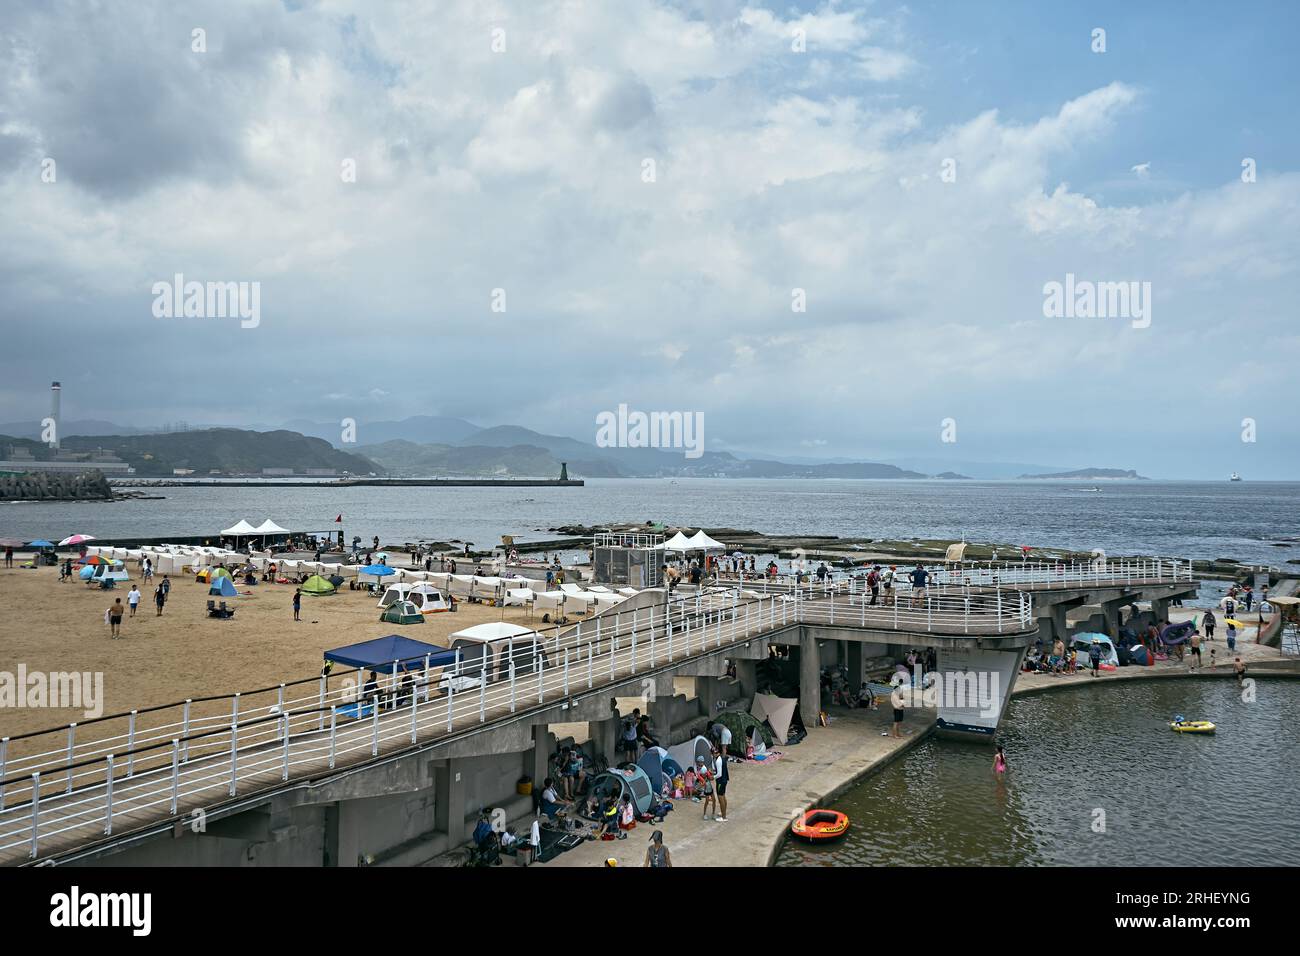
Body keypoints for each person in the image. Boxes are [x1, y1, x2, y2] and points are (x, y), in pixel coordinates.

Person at [696, 756, 716, 820]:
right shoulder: (699, 772)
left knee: (714, 801)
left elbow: (710, 778)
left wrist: (711, 774)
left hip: (710, 787)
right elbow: (702, 783)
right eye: (700, 762)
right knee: (707, 802)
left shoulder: (704, 769)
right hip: (707, 789)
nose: (701, 763)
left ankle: (713, 814)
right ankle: (704, 814)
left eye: (702, 762)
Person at [712, 746, 729, 822]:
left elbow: (719, 774)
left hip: (720, 781)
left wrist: (712, 777)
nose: (712, 755)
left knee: (720, 797)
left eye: (713, 754)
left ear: (717, 753)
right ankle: (723, 812)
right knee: (723, 796)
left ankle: (724, 817)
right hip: (724, 780)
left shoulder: (718, 761)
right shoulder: (722, 758)